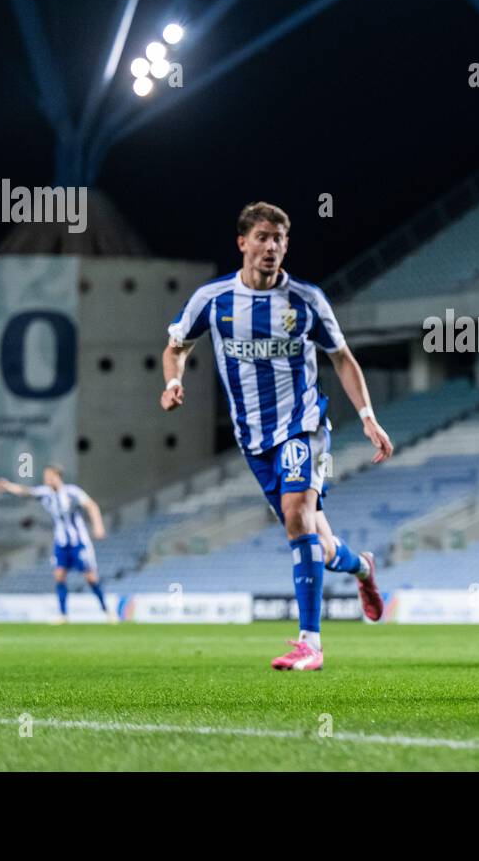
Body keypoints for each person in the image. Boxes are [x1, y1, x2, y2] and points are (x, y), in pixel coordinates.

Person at [161, 201, 393, 671]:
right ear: (242, 242)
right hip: (254, 439)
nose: (271, 246)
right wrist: (173, 381)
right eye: (263, 237)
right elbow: (176, 347)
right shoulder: (214, 299)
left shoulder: (306, 300)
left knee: (295, 516)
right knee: (318, 544)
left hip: (302, 425)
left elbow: (342, 357)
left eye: (279, 239)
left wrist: (367, 415)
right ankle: (363, 568)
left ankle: (311, 644)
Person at [0, 465, 113, 623]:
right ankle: (63, 614)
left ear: (58, 476)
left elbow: (92, 505)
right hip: (61, 543)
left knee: (91, 578)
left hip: (79, 543)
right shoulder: (46, 493)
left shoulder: (72, 491)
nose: (47, 479)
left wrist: (98, 526)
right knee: (59, 576)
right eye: (45, 477)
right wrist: (7, 486)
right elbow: (26, 491)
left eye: (49, 476)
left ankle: (107, 610)